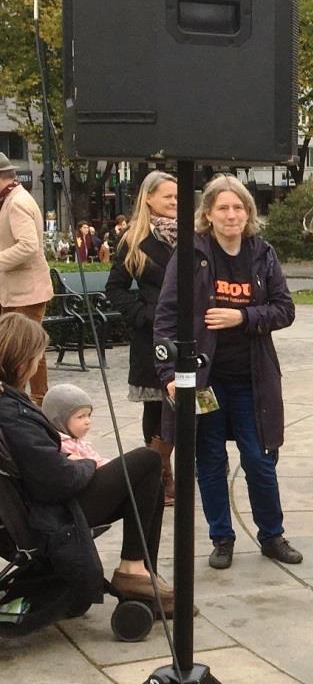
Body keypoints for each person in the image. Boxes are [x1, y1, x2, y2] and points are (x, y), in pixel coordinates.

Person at [154, 175, 300, 570]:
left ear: (249, 213)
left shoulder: (262, 253)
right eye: (223, 208)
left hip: (252, 379)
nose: (232, 214)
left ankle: (272, 535)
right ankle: (222, 537)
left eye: (238, 207)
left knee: (259, 458)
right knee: (209, 459)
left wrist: (243, 316)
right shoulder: (191, 254)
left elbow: (284, 309)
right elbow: (166, 315)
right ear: (208, 214)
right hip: (205, 381)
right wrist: (168, 372)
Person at [0, 313, 173, 614]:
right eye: (36, 356)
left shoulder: (10, 402)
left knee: (146, 477)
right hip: (49, 515)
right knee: (146, 461)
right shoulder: (11, 411)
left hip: (41, 506)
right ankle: (134, 571)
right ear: (20, 361)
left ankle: (139, 571)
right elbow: (57, 481)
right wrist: (87, 465)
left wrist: (71, 462)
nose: (38, 362)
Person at [106, 171, 179, 505]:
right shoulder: (132, 239)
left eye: (178, 197)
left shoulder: (194, 235)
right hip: (153, 336)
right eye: (168, 197)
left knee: (191, 401)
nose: (175, 203)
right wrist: (142, 315)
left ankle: (198, 464)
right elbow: (115, 289)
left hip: (191, 333)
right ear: (148, 198)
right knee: (157, 404)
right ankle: (160, 473)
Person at [0, 151, 54, 406]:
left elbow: (28, 246)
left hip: (26, 290)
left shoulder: (17, 202)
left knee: (28, 346)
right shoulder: (12, 197)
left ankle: (34, 400)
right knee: (23, 345)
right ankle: (25, 398)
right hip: (19, 288)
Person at [42, 383, 109, 467]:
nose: (87, 421)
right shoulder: (62, 447)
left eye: (88, 415)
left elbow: (96, 459)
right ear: (59, 421)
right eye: (80, 417)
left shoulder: (76, 439)